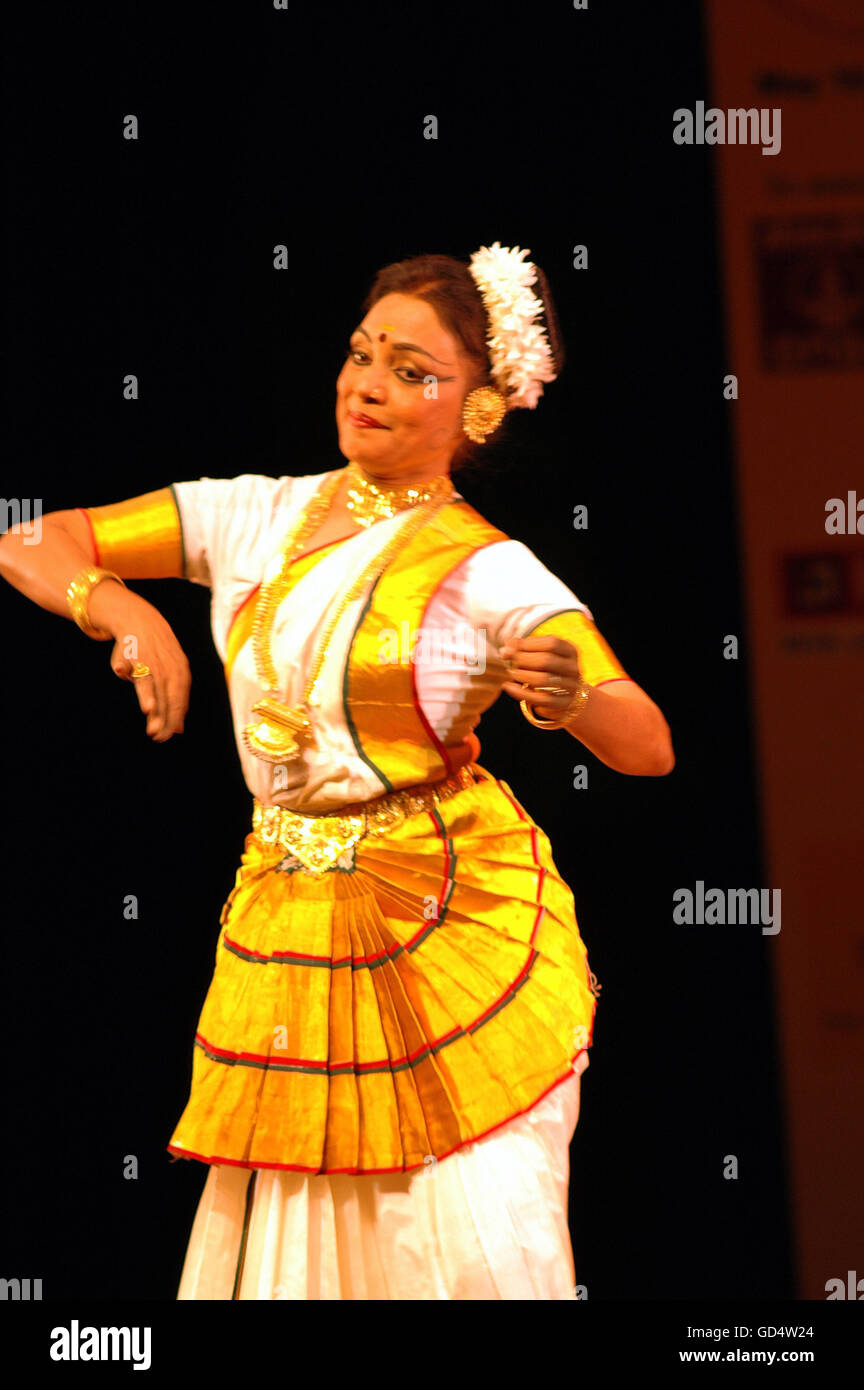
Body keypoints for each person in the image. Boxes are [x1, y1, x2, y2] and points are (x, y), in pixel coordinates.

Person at [0, 244, 674, 1300]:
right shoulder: (253, 513)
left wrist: (563, 694)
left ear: (481, 410)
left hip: (443, 919)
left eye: (413, 371)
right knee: (305, 1241)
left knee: (458, 1232)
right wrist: (121, 607)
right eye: (364, 354)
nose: (367, 384)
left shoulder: (485, 567)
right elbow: (32, 539)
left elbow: (647, 745)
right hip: (294, 917)